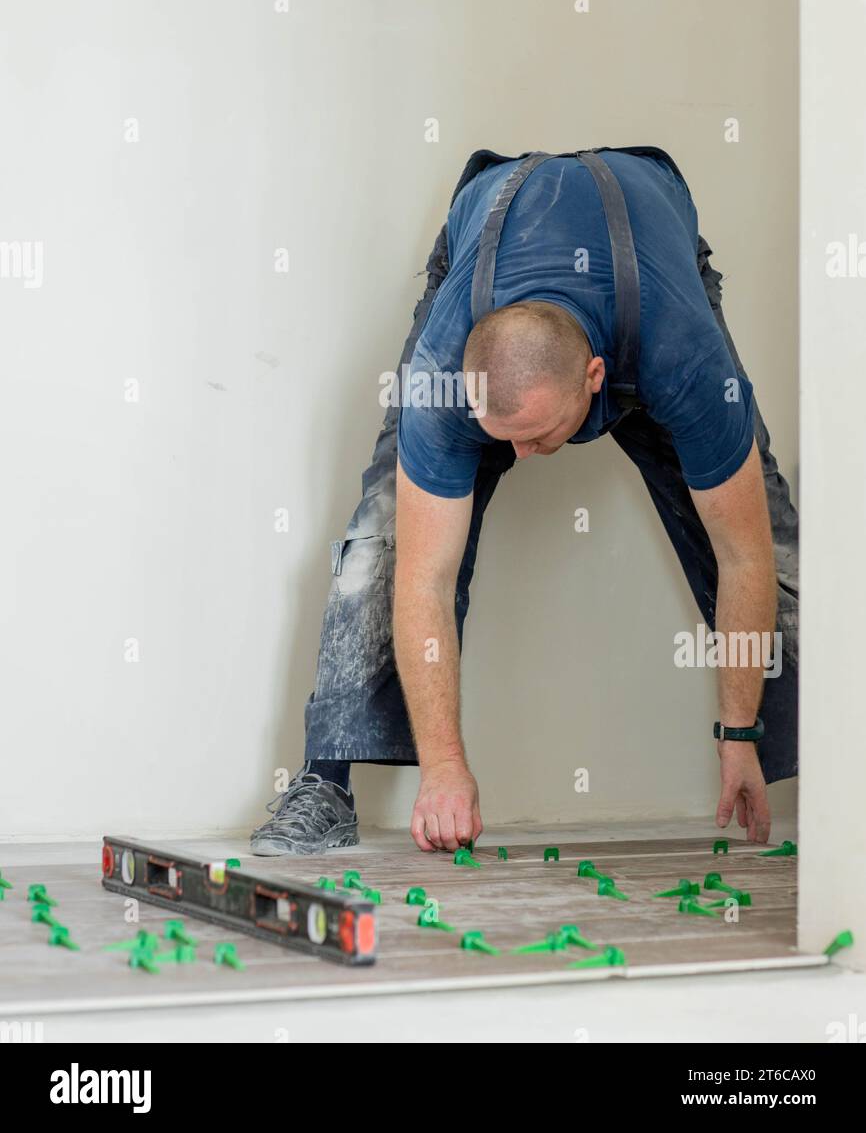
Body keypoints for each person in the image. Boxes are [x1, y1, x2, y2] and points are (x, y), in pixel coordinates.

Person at [250, 147, 798, 856]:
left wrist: (739, 734)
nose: (520, 459)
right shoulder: (447, 375)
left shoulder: (681, 355)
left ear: (597, 379)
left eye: (539, 437)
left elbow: (743, 554)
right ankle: (325, 786)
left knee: (771, 532)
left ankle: (840, 765)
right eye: (500, 438)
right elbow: (426, 577)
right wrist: (445, 767)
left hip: (658, 253)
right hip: (480, 237)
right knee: (386, 536)